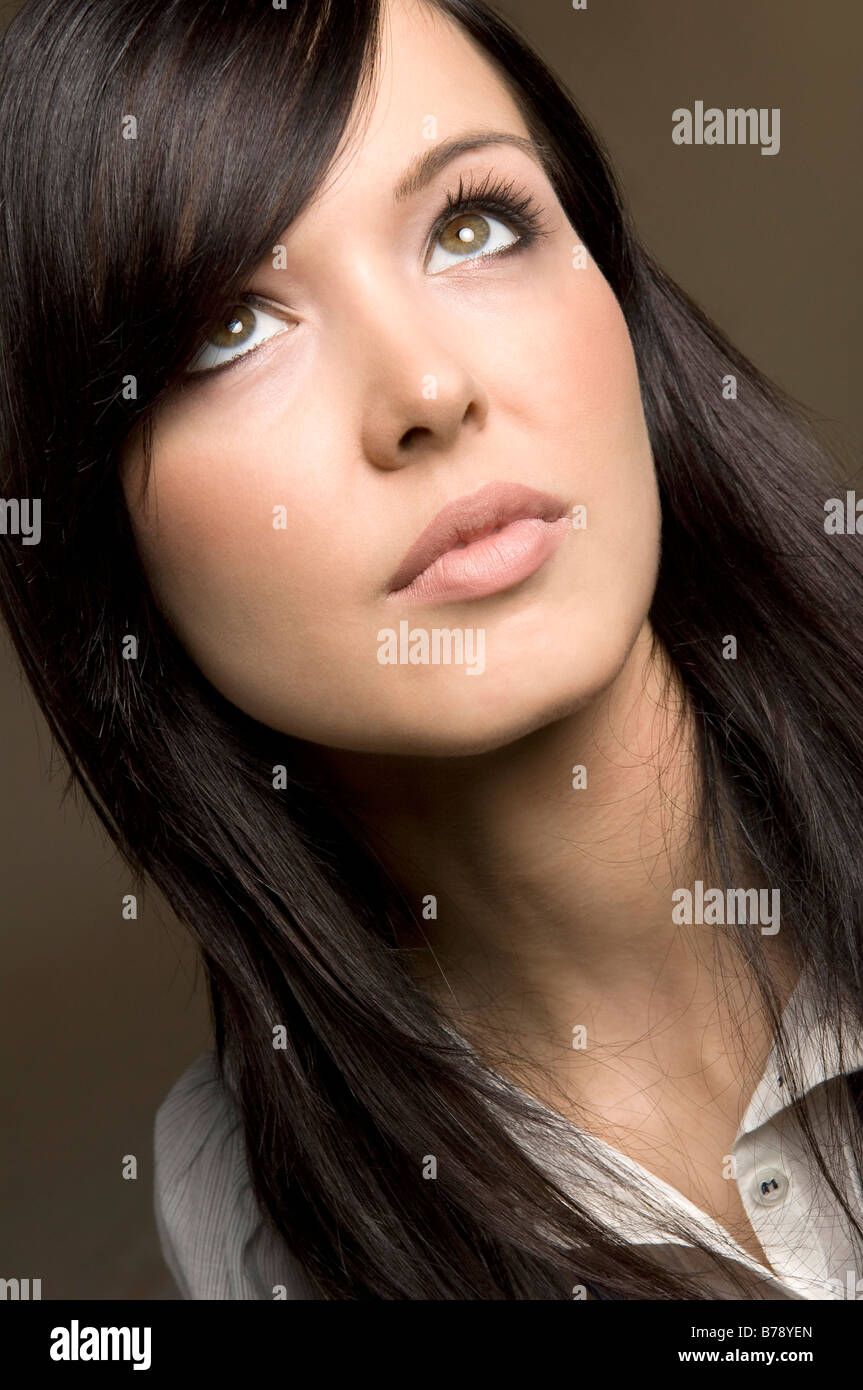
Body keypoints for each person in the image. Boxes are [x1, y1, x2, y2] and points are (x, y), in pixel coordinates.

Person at [1, 0, 862, 1301]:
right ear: (99, 541)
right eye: (228, 325)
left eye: (472, 225)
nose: (424, 392)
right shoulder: (247, 1224)